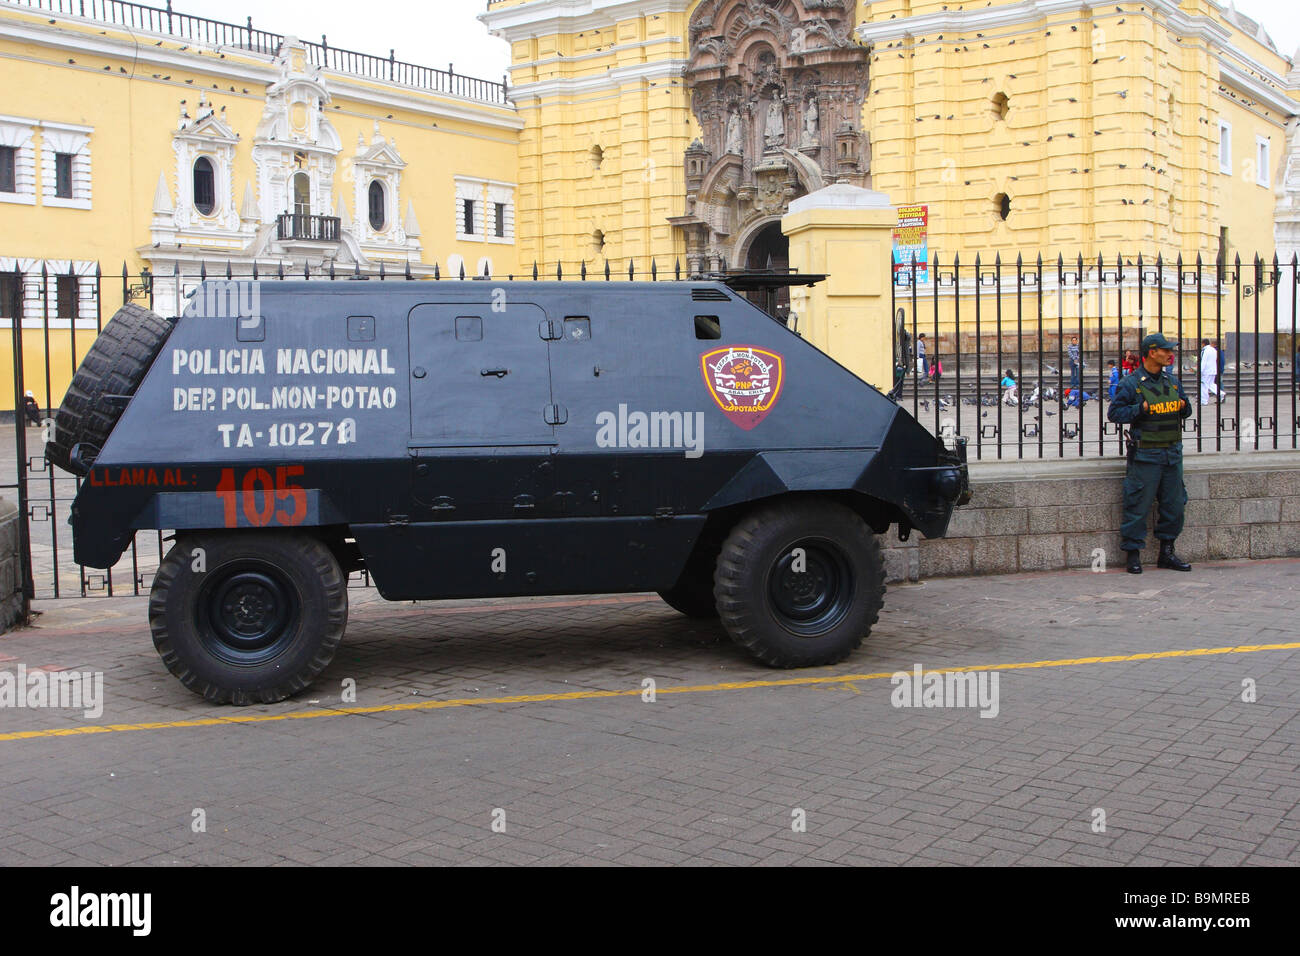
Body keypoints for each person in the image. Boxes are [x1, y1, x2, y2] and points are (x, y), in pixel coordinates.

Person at [1107, 332, 1194, 574]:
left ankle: (1167, 553)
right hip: (1146, 455)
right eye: (1165, 350)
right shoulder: (1131, 383)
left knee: (1174, 506)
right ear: (1152, 352)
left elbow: (1187, 410)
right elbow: (1115, 414)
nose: (1170, 354)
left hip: (1172, 454)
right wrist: (1141, 409)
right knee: (1137, 505)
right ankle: (1133, 555)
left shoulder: (1172, 382)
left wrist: (1184, 406)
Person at [1199, 338, 1223, 405]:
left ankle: (1204, 401)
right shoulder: (1213, 350)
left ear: (1203, 343)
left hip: (1206, 371)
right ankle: (1221, 394)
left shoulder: (1205, 350)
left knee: (1203, 385)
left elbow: (1204, 361)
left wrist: (1200, 371)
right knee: (1211, 384)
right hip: (1213, 370)